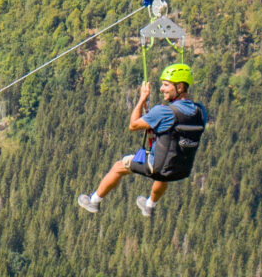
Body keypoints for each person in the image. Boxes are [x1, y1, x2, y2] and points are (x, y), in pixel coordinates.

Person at [77, 63, 208, 219]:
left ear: (179, 87)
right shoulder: (200, 111)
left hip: (158, 166)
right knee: (164, 171)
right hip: (181, 169)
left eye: (166, 85)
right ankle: (149, 205)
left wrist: (141, 99)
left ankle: (94, 201)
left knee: (119, 166)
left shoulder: (164, 111)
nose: (161, 89)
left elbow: (133, 125)